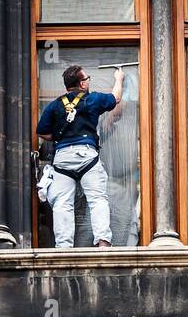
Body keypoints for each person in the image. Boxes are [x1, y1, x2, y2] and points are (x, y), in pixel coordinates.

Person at [36, 64, 123, 247]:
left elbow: (42, 132)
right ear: (82, 84)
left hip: (62, 159)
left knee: (62, 204)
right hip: (87, 156)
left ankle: (63, 247)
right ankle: (103, 242)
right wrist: (119, 78)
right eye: (88, 79)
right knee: (97, 198)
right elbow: (115, 98)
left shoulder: (54, 106)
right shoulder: (92, 100)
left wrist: (60, 136)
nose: (89, 82)